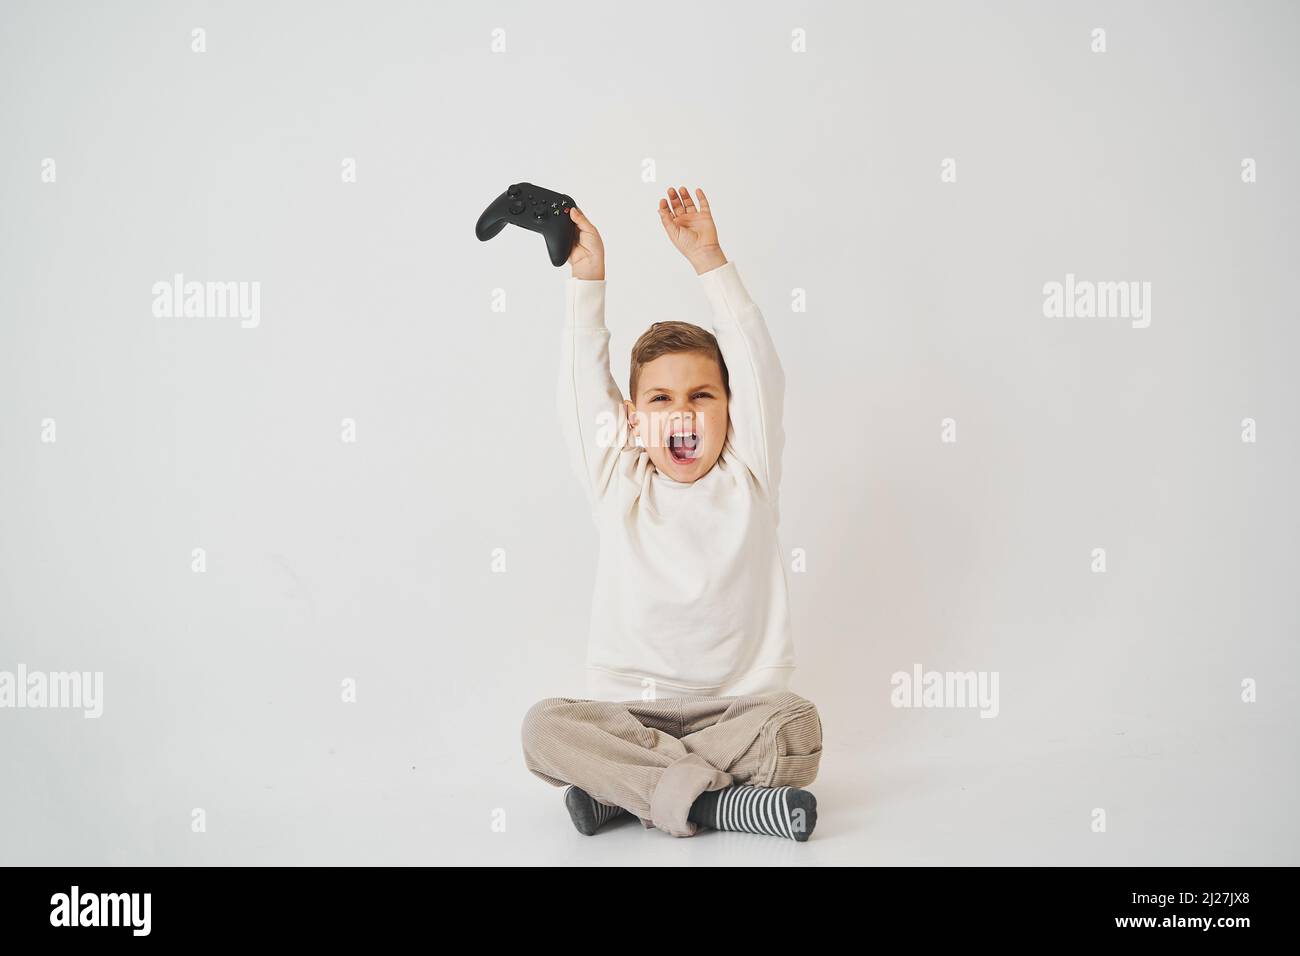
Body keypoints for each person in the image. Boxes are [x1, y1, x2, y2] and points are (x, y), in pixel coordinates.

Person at [521, 186, 823, 840]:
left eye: (701, 395)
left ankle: (629, 793)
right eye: (660, 399)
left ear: (729, 411)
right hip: (631, 716)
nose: (681, 412)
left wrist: (710, 260)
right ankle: (717, 805)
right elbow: (580, 384)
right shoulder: (617, 478)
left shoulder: (751, 473)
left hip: (737, 712)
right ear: (632, 421)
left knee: (797, 728)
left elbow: (759, 366)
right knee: (544, 728)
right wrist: (587, 274)